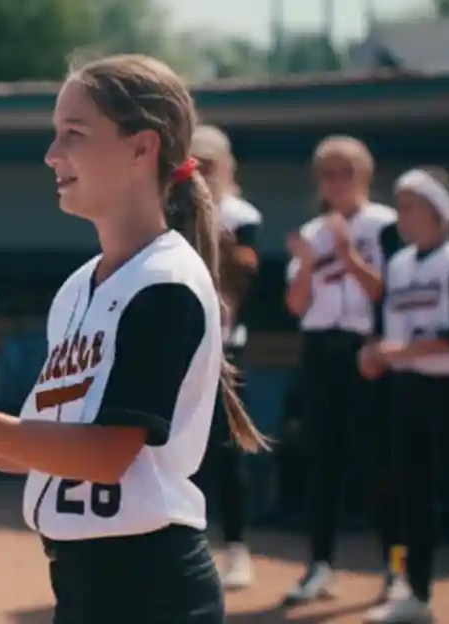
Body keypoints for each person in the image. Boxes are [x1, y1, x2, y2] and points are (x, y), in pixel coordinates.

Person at [0, 54, 267, 624]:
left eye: (74, 135)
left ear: (142, 148)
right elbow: (43, 448)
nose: (51, 155)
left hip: (150, 589)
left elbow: (106, 456)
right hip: (89, 587)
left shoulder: (165, 284)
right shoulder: (80, 287)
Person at [282, 135, 406, 606]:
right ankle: (320, 566)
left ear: (364, 174)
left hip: (367, 350)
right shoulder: (312, 230)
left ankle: (396, 569)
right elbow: (296, 305)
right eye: (327, 173)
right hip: (320, 350)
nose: (335, 182)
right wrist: (311, 263)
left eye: (345, 172)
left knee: (379, 461)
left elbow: (385, 293)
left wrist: (349, 255)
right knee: (322, 460)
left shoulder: (386, 225)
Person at [358, 166, 449, 623]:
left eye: (409, 206)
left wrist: (398, 351)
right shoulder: (401, 263)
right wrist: (374, 354)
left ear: (438, 212)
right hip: (409, 391)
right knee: (413, 495)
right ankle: (418, 594)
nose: (400, 216)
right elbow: (387, 329)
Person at [187, 125, 263, 589]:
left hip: (225, 347)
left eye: (211, 163)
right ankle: (189, 547)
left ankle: (237, 549)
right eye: (196, 162)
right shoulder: (172, 207)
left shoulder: (239, 213)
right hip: (183, 344)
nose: (203, 172)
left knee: (229, 453)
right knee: (182, 452)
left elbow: (241, 280)